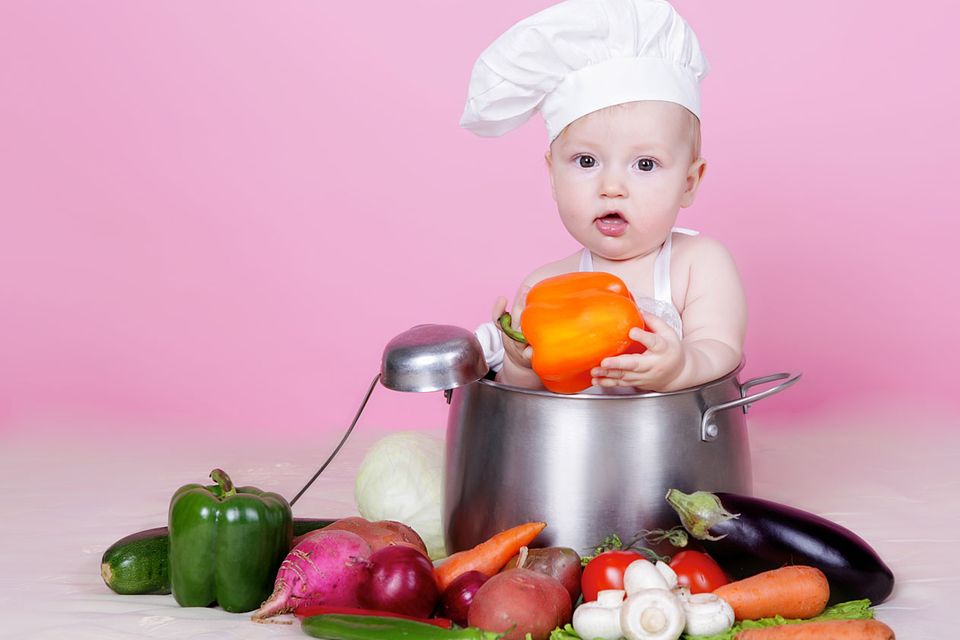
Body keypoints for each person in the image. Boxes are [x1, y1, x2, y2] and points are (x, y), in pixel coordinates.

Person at [463, 0, 747, 393]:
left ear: (689, 182)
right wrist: (519, 363)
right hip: (571, 452)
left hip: (670, 449)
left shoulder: (699, 265)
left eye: (645, 165)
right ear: (552, 174)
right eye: (586, 161)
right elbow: (529, 395)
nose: (611, 187)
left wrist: (680, 368)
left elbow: (721, 348)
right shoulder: (544, 286)